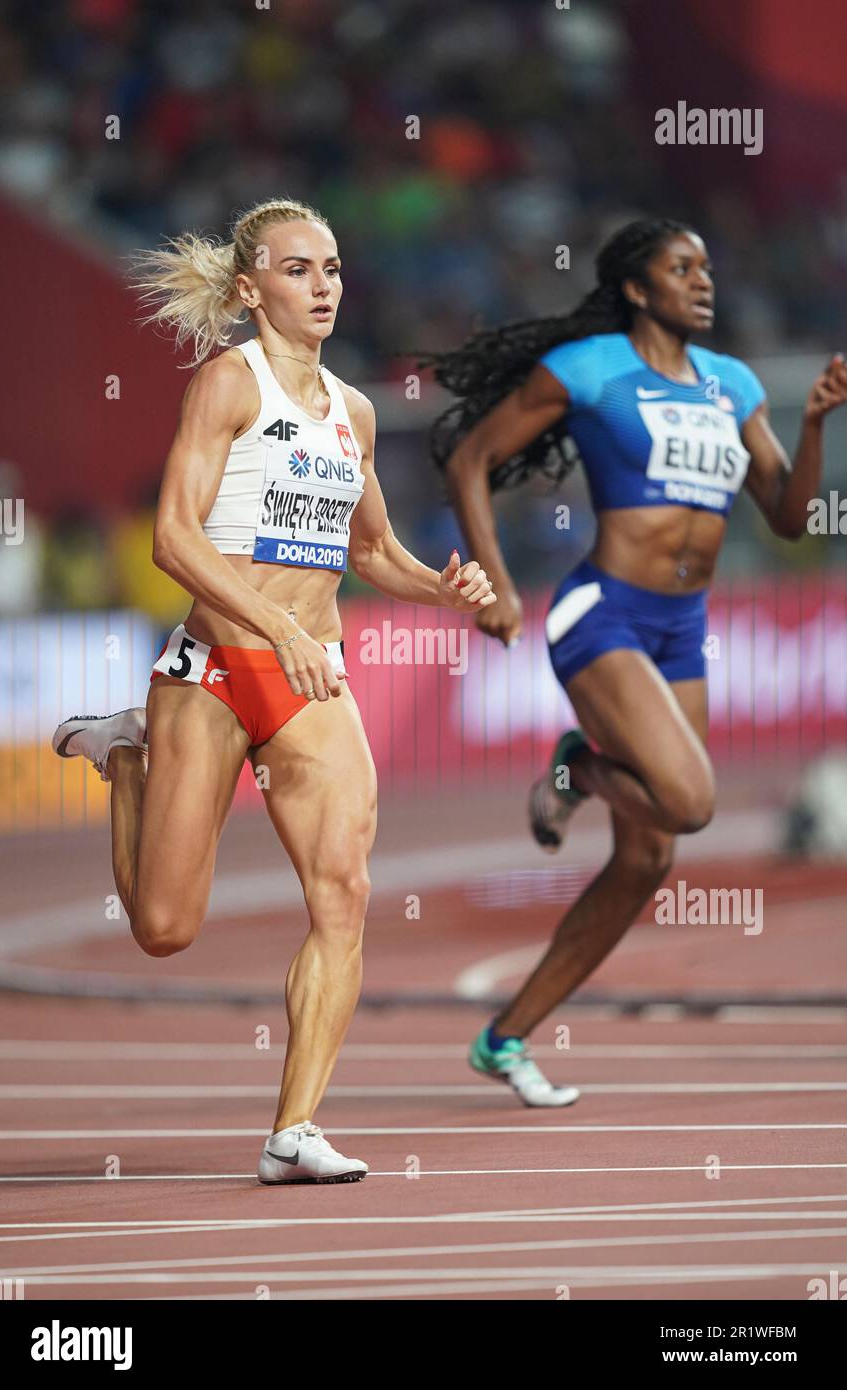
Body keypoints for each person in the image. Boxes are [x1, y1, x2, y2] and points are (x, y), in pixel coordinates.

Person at [52, 198, 496, 1182]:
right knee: (164, 929)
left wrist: (442, 586)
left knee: (344, 891)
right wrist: (278, 625)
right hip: (217, 671)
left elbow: (371, 547)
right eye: (298, 269)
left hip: (311, 680)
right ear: (251, 290)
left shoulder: (356, 411)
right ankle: (127, 757)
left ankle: (293, 1128)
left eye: (332, 267)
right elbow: (174, 538)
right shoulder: (227, 384)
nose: (324, 285)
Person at [423, 216, 847, 1107]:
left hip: (681, 630)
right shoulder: (591, 371)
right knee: (691, 804)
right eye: (680, 266)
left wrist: (811, 427)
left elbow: (787, 517)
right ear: (635, 288)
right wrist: (495, 586)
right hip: (602, 613)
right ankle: (579, 763)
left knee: (649, 861)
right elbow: (470, 459)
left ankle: (505, 1040)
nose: (703, 280)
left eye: (706, 265)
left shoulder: (732, 385)